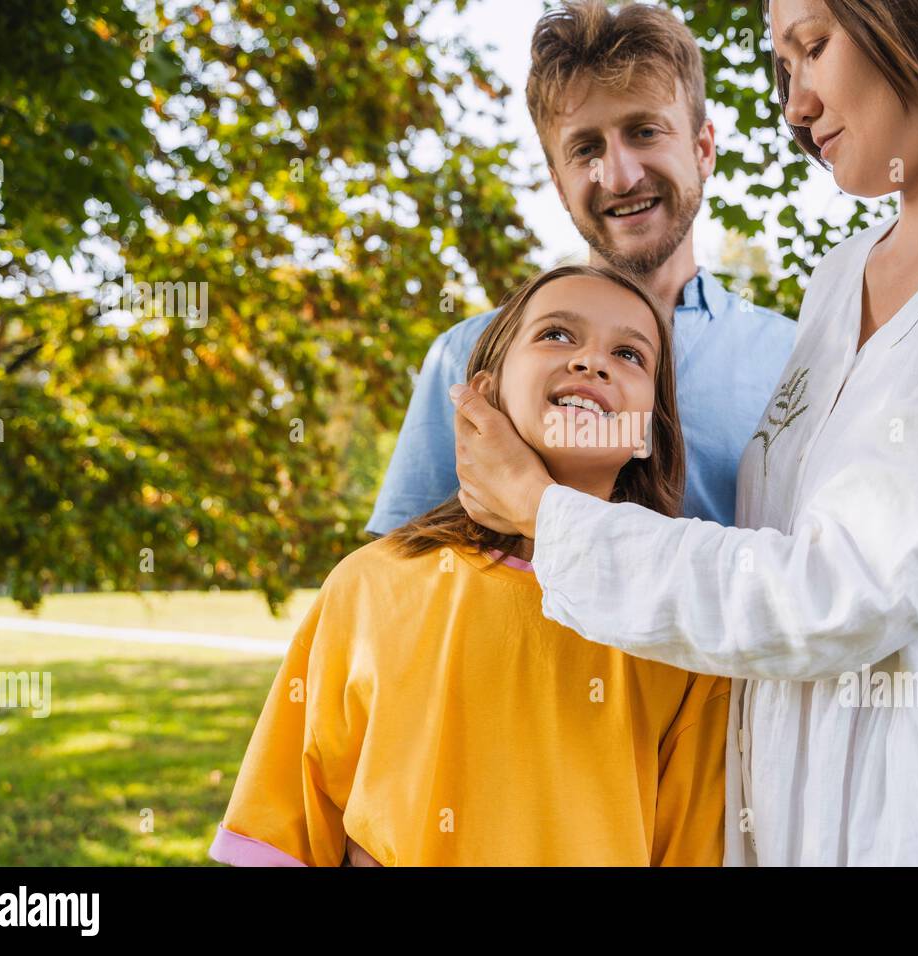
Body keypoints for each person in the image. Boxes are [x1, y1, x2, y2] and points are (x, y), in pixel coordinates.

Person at [447, 0, 918, 866]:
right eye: (783, 66)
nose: (793, 106)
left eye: (813, 49)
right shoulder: (840, 280)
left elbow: (849, 588)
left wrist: (550, 515)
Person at [209, 265, 730, 867]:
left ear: (648, 433)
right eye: (558, 335)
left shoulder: (680, 621)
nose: (591, 362)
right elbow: (286, 830)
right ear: (484, 392)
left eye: (629, 354)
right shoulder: (370, 584)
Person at [366, 0, 796, 537]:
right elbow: (399, 587)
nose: (618, 176)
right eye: (586, 148)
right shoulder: (464, 354)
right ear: (557, 180)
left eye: (645, 132)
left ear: (703, 148)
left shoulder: (795, 362)